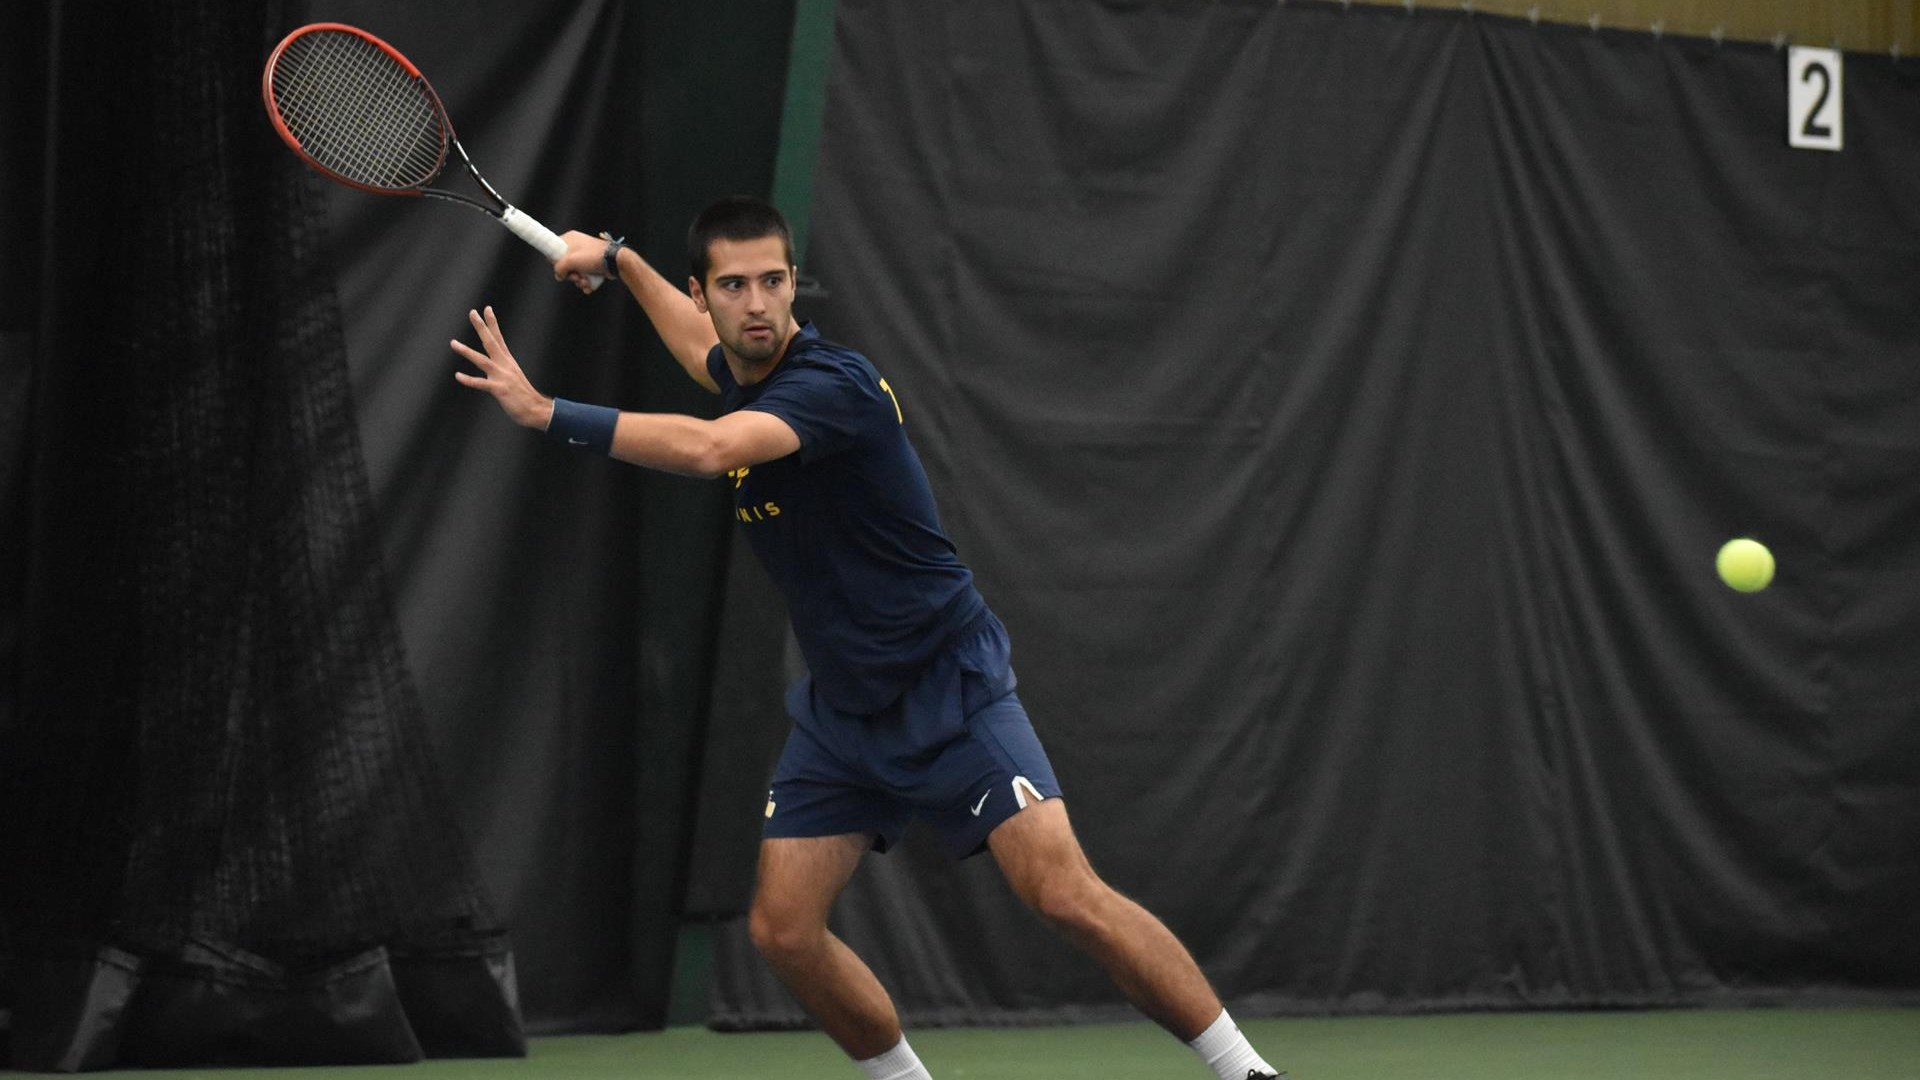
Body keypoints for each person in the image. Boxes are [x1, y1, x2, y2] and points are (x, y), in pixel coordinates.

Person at [450, 196, 1283, 1080]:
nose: (759, 302)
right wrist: (619, 260)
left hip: (945, 683)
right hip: (845, 709)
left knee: (1066, 898)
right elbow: (698, 349)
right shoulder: (736, 360)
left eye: (774, 280)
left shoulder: (831, 386)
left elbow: (708, 447)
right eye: (734, 286)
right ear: (708, 293)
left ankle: (1246, 1072)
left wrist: (548, 412)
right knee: (782, 928)